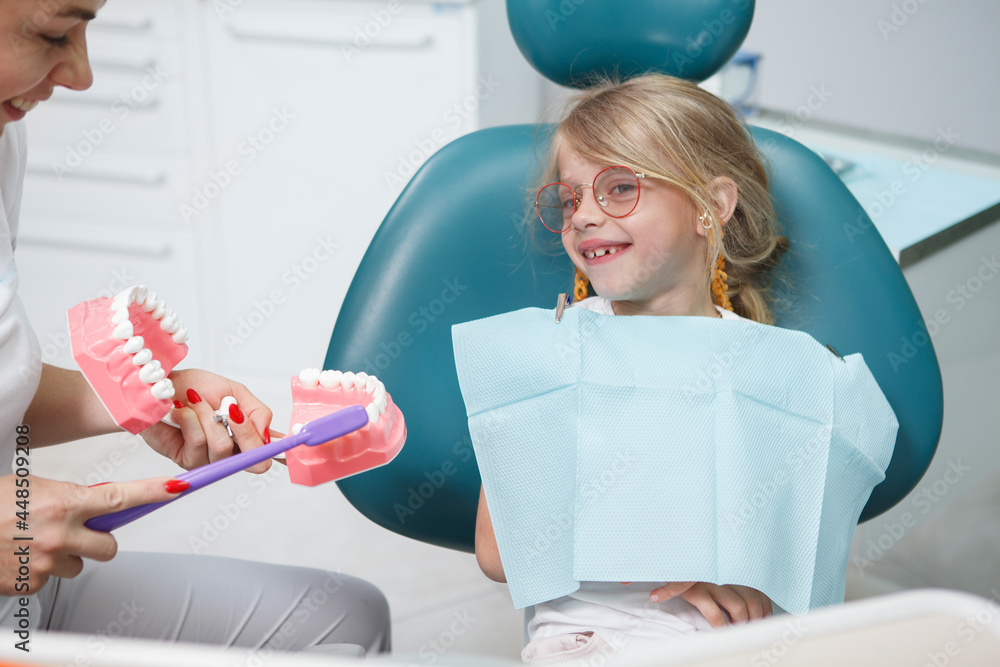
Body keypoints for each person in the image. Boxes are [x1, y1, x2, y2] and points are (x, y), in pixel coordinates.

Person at [0, 0, 388, 655]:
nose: (82, 74)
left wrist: (135, 401)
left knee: (352, 617)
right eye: (54, 34)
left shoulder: (4, 133)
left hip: (22, 588)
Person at [475, 73, 790, 662]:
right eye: (571, 199)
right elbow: (499, 553)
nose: (584, 217)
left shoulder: (769, 367)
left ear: (711, 207)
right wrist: (668, 557)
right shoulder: (552, 358)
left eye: (620, 188)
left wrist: (749, 573)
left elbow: (791, 540)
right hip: (588, 644)